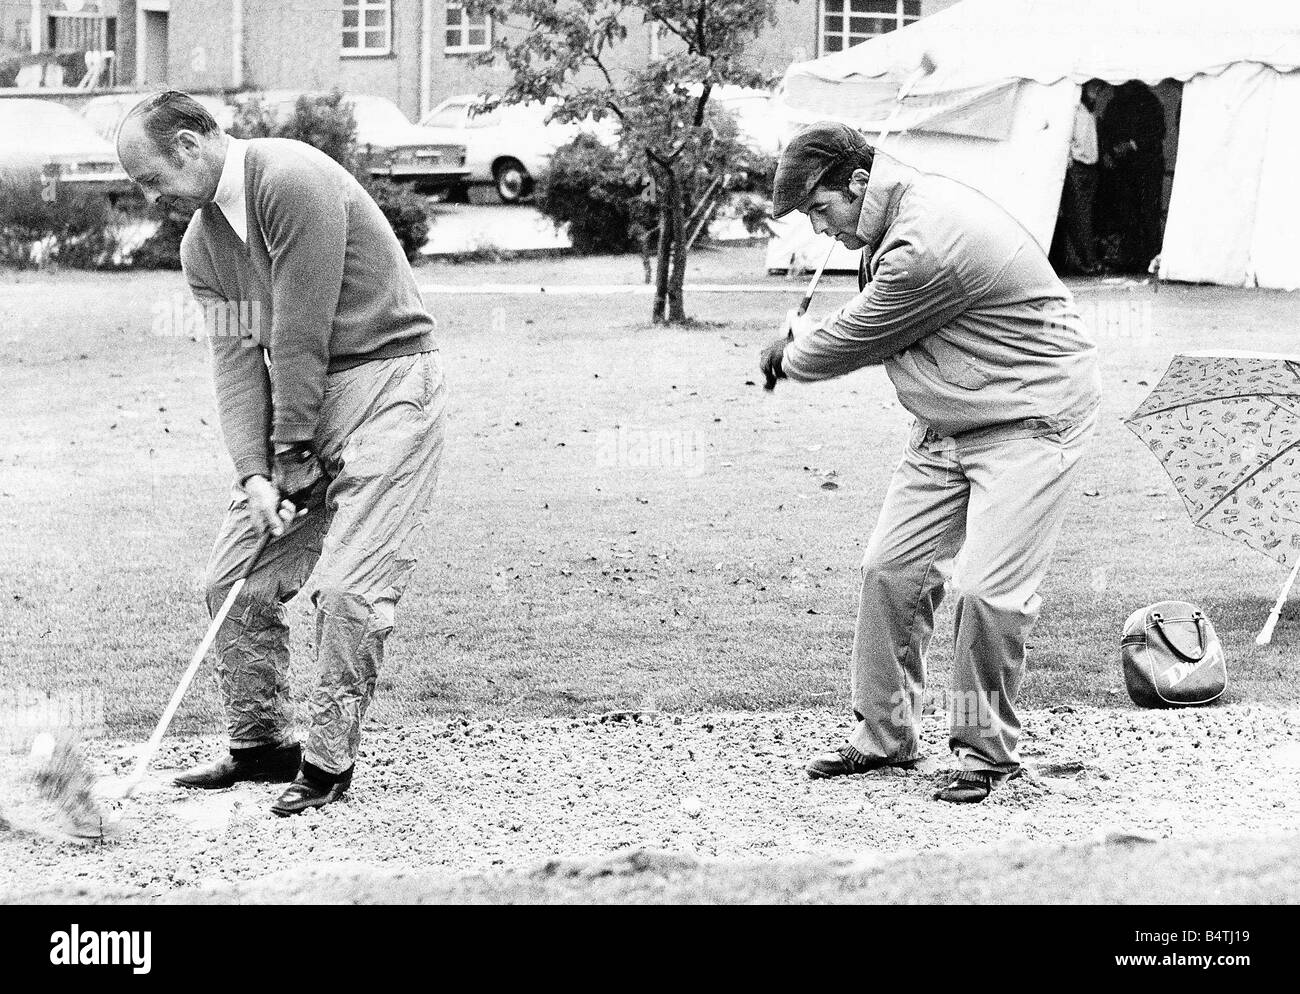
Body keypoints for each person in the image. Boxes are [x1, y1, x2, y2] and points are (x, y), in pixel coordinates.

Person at [115, 91, 446, 816]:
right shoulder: (201, 246)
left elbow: (300, 329)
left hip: (388, 384)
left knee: (349, 590)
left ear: (190, 145)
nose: (151, 197)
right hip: (306, 406)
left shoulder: (289, 178)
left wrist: (293, 448)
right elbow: (237, 361)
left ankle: (328, 764)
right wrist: (256, 472)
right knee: (234, 576)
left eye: (150, 178)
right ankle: (261, 744)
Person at [759, 122, 1100, 803]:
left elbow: (860, 333)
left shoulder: (926, 241)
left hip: (1029, 420)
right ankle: (883, 736)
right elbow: (872, 311)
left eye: (819, 211)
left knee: (986, 593)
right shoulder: (892, 219)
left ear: (859, 183)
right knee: (891, 569)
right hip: (948, 419)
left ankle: (985, 753)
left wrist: (789, 355)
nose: (819, 229)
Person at [1097, 80, 1166, 272]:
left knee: (1148, 213)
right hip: (1124, 170)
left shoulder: (1150, 102)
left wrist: (1131, 144)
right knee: (1127, 214)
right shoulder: (1115, 104)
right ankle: (1131, 259)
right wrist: (1109, 152)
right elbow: (1106, 132)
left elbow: (1158, 133)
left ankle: (1150, 258)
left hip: (1147, 168)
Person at [1055, 81, 1103, 275]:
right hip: (1078, 166)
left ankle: (1086, 259)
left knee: (1083, 215)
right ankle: (1086, 260)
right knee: (1080, 216)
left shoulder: (1088, 111)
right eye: (1094, 90)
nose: (1096, 94)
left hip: (1090, 166)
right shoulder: (1074, 111)